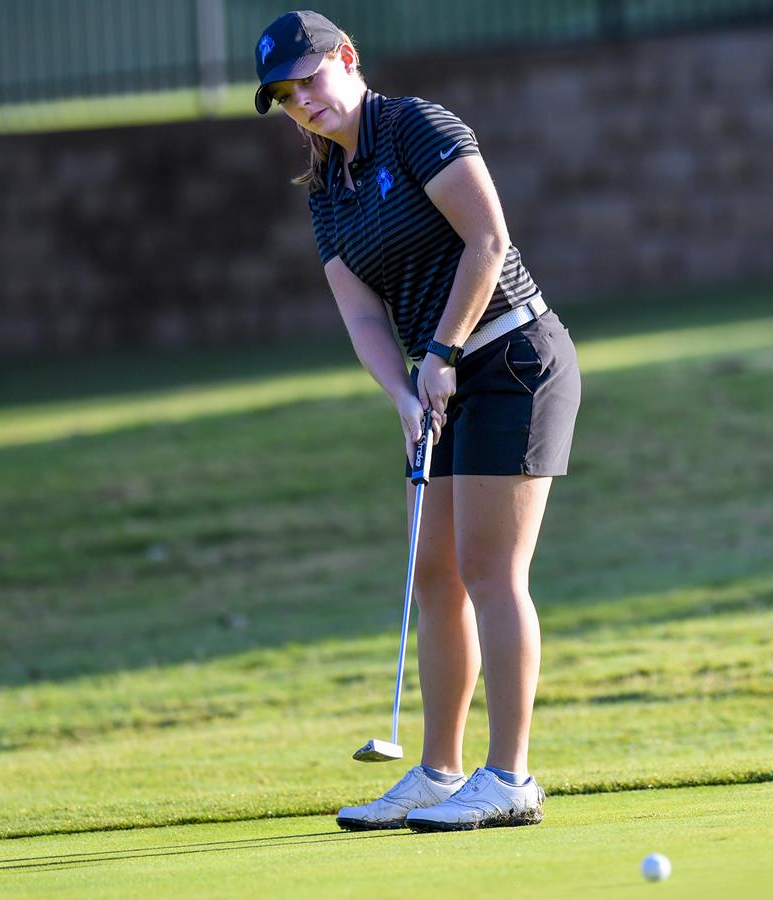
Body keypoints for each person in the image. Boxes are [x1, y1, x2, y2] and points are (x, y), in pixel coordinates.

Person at [253, 10, 580, 832]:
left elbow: (487, 241)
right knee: (433, 574)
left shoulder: (415, 127)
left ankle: (510, 777)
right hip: (438, 381)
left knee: (490, 570)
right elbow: (362, 316)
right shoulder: (327, 192)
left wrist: (441, 350)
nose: (302, 102)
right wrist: (403, 392)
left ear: (346, 58)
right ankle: (439, 773)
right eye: (285, 96)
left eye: (308, 80)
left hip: (512, 359)